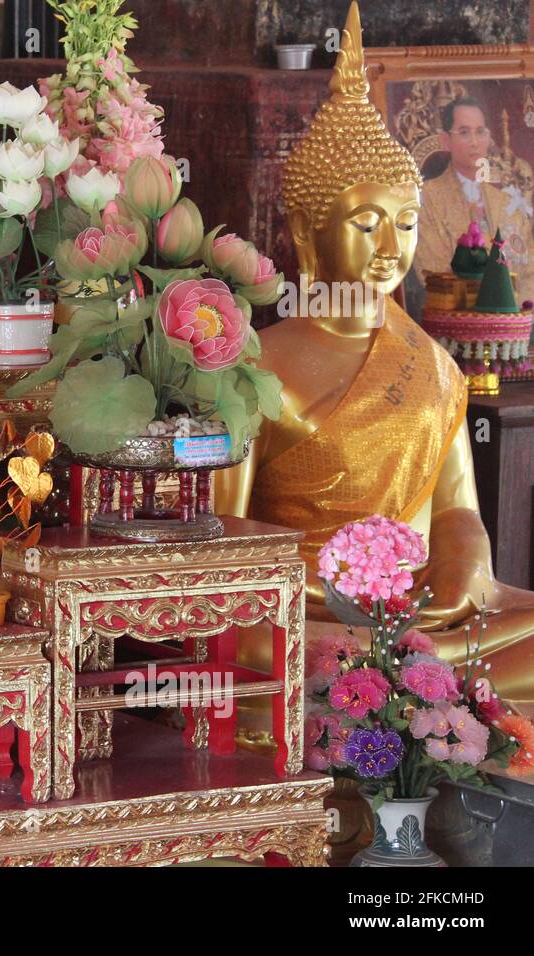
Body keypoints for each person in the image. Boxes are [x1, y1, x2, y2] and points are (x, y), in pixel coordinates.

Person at [215, 1, 534, 711]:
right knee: (268, 650)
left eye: (407, 222)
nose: (392, 246)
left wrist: (456, 585)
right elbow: (225, 534)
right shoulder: (255, 364)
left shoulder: (432, 364)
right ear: (307, 228)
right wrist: (337, 594)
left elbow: (457, 513)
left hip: (428, 607)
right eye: (367, 222)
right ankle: (423, 681)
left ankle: (422, 672)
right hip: (311, 614)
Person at [416, 94, 533, 302]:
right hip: (455, 320)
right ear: (445, 140)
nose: (474, 142)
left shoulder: (506, 203)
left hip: (514, 323)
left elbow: (528, 270)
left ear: (489, 138)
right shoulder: (425, 199)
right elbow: (432, 273)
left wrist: (517, 313)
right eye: (464, 132)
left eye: (480, 132)